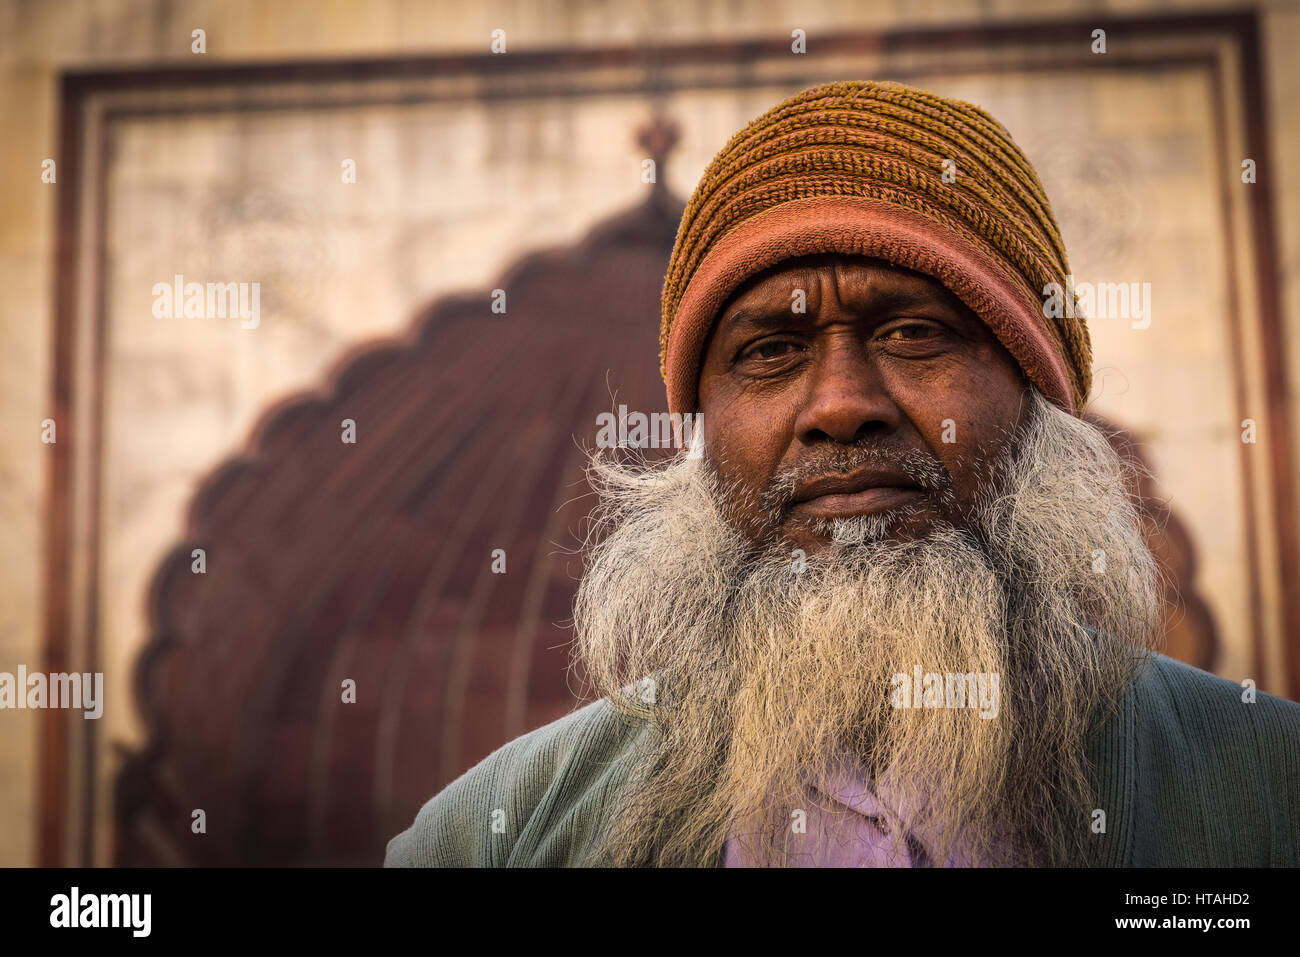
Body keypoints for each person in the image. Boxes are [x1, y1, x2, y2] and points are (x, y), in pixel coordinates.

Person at [385, 79, 1300, 868]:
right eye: (772, 350)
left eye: (913, 332)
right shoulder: (495, 835)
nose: (838, 405)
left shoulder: (1269, 791)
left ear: (1040, 399)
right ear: (702, 433)